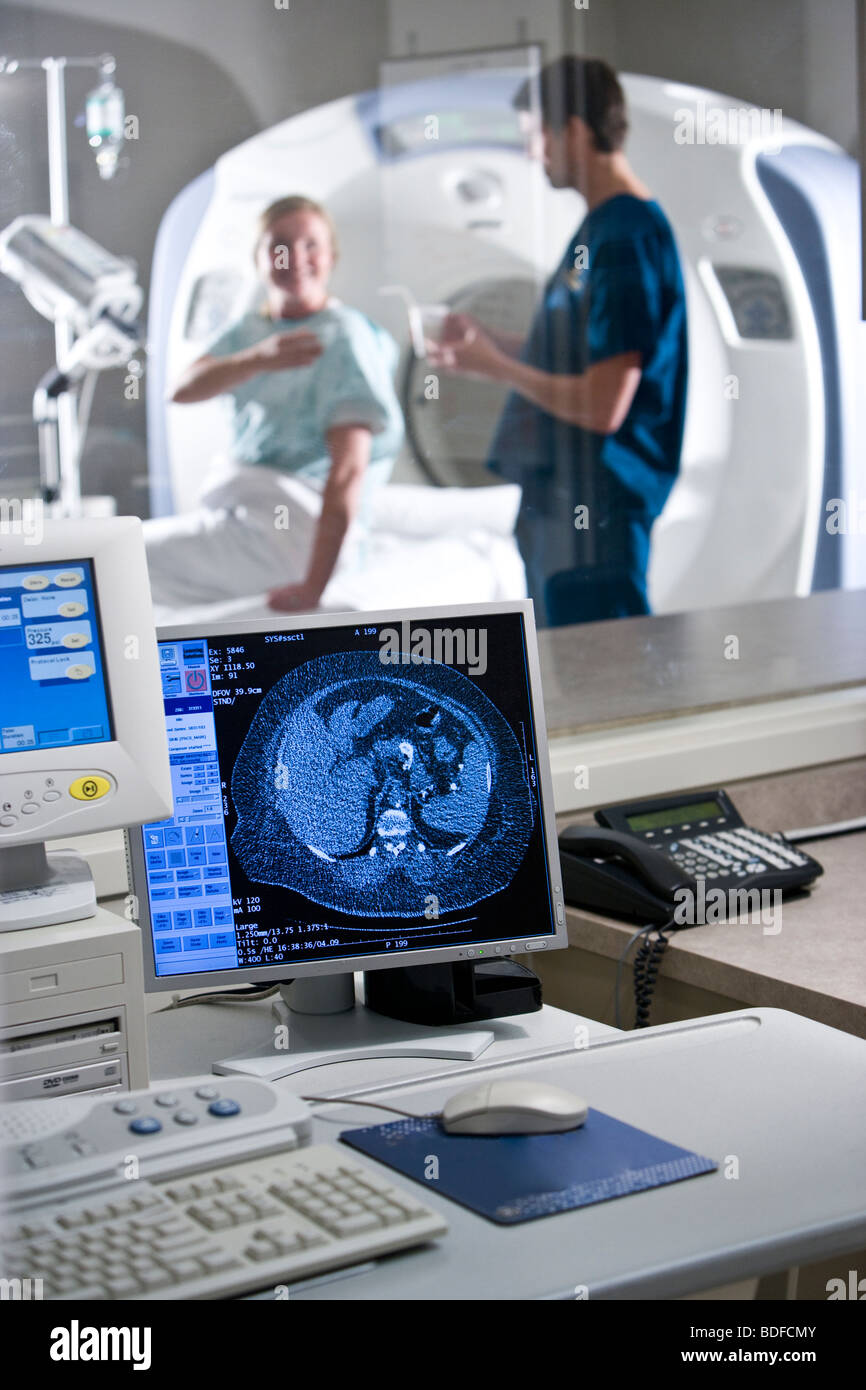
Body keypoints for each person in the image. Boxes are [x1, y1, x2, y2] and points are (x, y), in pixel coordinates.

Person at [429, 56, 688, 626]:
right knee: (568, 681)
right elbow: (585, 354)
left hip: (596, 511)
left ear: (572, 129)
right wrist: (488, 345)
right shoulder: (603, 229)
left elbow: (602, 405)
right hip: (571, 504)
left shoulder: (624, 235)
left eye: (535, 137)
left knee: (603, 686)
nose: (532, 153)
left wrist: (497, 367)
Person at [144, 195, 404, 612]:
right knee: (143, 573)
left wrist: (312, 589)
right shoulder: (252, 331)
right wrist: (258, 359)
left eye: (310, 245)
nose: (294, 257)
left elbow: (347, 474)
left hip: (297, 528)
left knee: (126, 561)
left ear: (331, 257)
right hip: (250, 514)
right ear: (259, 259)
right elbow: (179, 390)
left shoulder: (343, 337)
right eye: (279, 246)